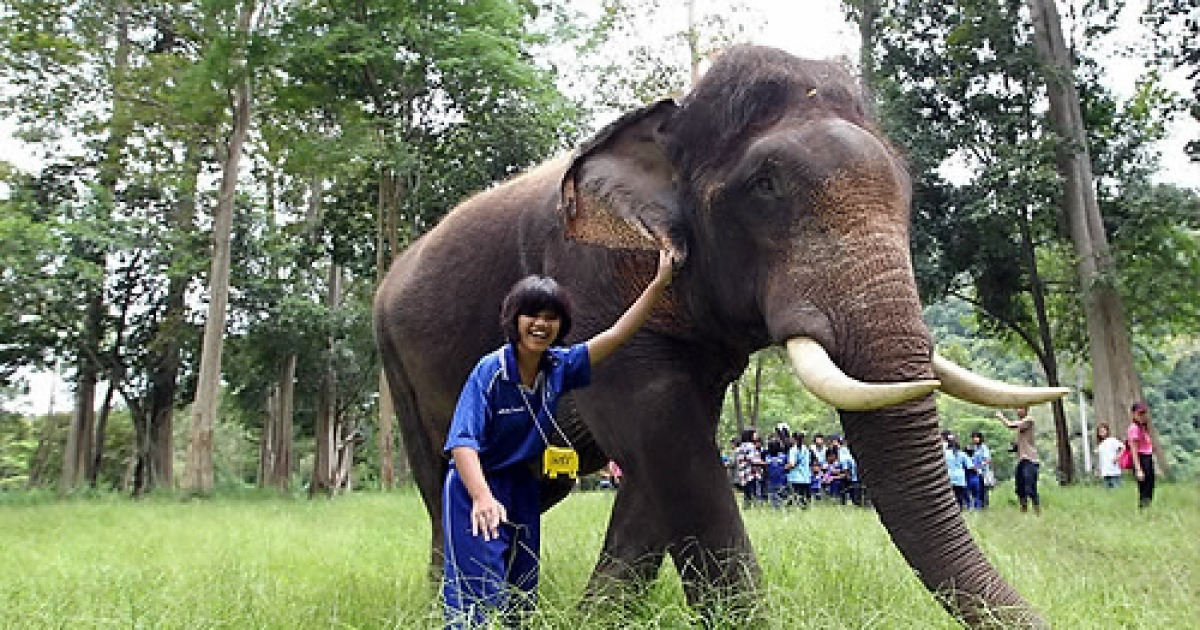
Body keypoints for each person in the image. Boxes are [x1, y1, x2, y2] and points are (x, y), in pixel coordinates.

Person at [441, 248, 676, 627]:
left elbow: (617, 335)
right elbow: (462, 441)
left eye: (551, 318)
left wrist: (659, 282)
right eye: (532, 314)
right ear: (514, 320)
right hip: (476, 486)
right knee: (477, 594)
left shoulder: (559, 366)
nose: (541, 324)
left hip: (523, 485)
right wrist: (482, 498)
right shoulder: (491, 371)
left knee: (521, 589)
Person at [996, 407, 1040, 514]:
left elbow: (1010, 425)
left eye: (1021, 408)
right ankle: (1023, 511)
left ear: (1026, 410)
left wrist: (1001, 417)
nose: (1018, 411)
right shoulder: (1022, 424)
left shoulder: (1029, 420)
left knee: (1030, 487)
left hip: (1030, 460)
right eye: (1017, 408)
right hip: (1021, 460)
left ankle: (1037, 511)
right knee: (1020, 488)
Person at [1128, 402, 1156, 507]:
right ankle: (1143, 508)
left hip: (1147, 458)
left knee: (1150, 485)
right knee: (1144, 488)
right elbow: (1134, 450)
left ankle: (1147, 507)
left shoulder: (1143, 428)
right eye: (1140, 413)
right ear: (1134, 414)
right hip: (1141, 459)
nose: (1142, 416)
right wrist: (1139, 469)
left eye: (1144, 413)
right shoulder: (1134, 428)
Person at [734, 428, 764, 508]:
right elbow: (752, 460)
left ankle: (747, 507)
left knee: (747, 494)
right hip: (751, 473)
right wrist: (765, 463)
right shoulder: (750, 446)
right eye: (755, 434)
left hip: (743, 473)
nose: (756, 435)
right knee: (753, 493)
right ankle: (755, 508)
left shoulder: (741, 446)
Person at [943, 432, 971, 510]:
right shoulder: (962, 454)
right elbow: (970, 466)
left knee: (952, 496)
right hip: (960, 478)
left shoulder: (945, 453)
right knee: (960, 496)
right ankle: (961, 509)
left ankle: (953, 509)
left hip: (949, 477)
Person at [1094, 422, 1125, 489]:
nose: (1101, 432)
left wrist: (1118, 456)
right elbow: (1100, 459)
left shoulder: (1112, 440)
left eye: (1103, 430)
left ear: (1107, 431)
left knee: (1116, 489)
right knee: (1107, 491)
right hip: (1105, 472)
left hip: (1114, 471)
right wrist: (1098, 469)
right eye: (1100, 431)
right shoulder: (1100, 445)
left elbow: (1123, 448)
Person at [786, 432, 813, 507]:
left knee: (794, 498)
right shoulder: (806, 449)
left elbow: (792, 464)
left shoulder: (793, 450)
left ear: (793, 439)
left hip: (795, 478)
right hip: (806, 477)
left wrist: (784, 468)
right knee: (805, 501)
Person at [968, 431, 992, 508]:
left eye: (976, 437)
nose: (975, 439)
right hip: (976, 472)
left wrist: (981, 465)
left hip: (983, 472)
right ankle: (979, 505)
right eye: (973, 437)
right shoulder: (974, 448)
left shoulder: (983, 447)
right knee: (978, 490)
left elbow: (988, 459)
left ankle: (985, 505)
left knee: (984, 490)